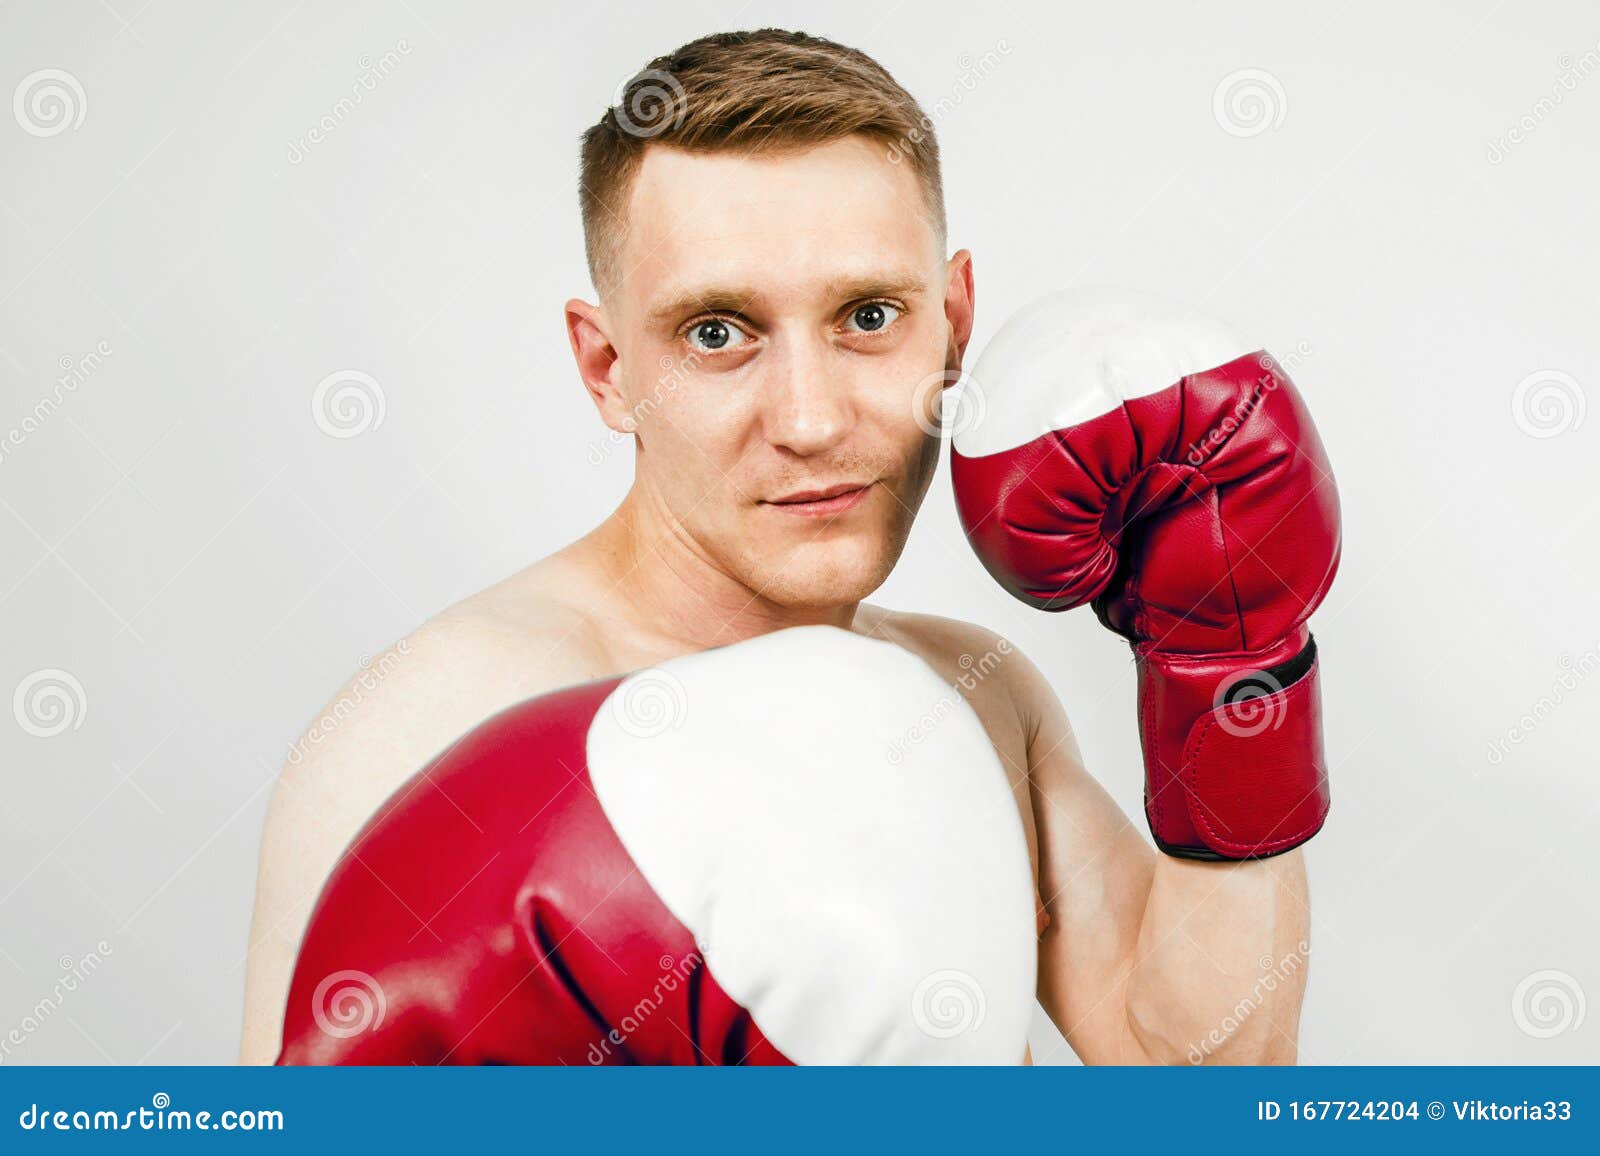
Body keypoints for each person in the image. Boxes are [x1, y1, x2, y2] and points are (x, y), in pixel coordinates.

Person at [242, 28, 1323, 1065]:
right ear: (608, 369)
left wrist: (1229, 653)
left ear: (954, 323)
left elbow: (1204, 1083)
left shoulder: (977, 695)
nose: (810, 420)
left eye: (868, 317)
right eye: (716, 333)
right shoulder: (431, 730)